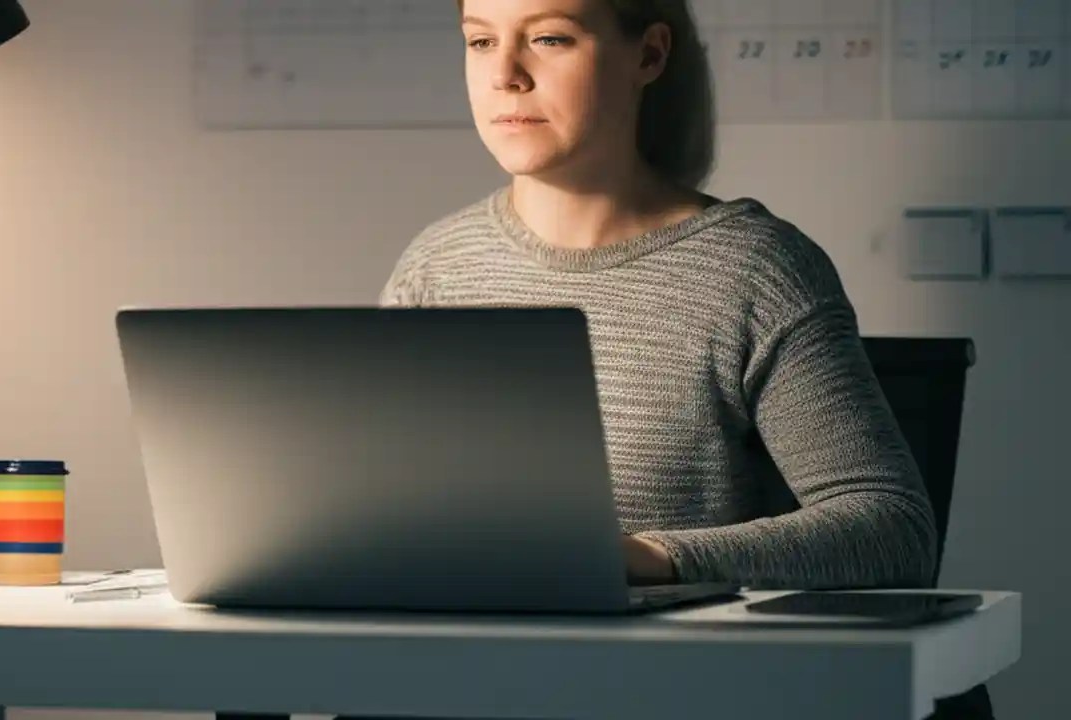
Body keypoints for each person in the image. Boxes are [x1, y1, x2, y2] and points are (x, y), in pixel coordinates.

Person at [220, 0, 991, 718]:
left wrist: (651, 558)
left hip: (667, 696)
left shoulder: (756, 270)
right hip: (464, 688)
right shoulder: (438, 266)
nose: (505, 73)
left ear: (649, 54)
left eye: (549, 37)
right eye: (480, 40)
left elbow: (893, 532)